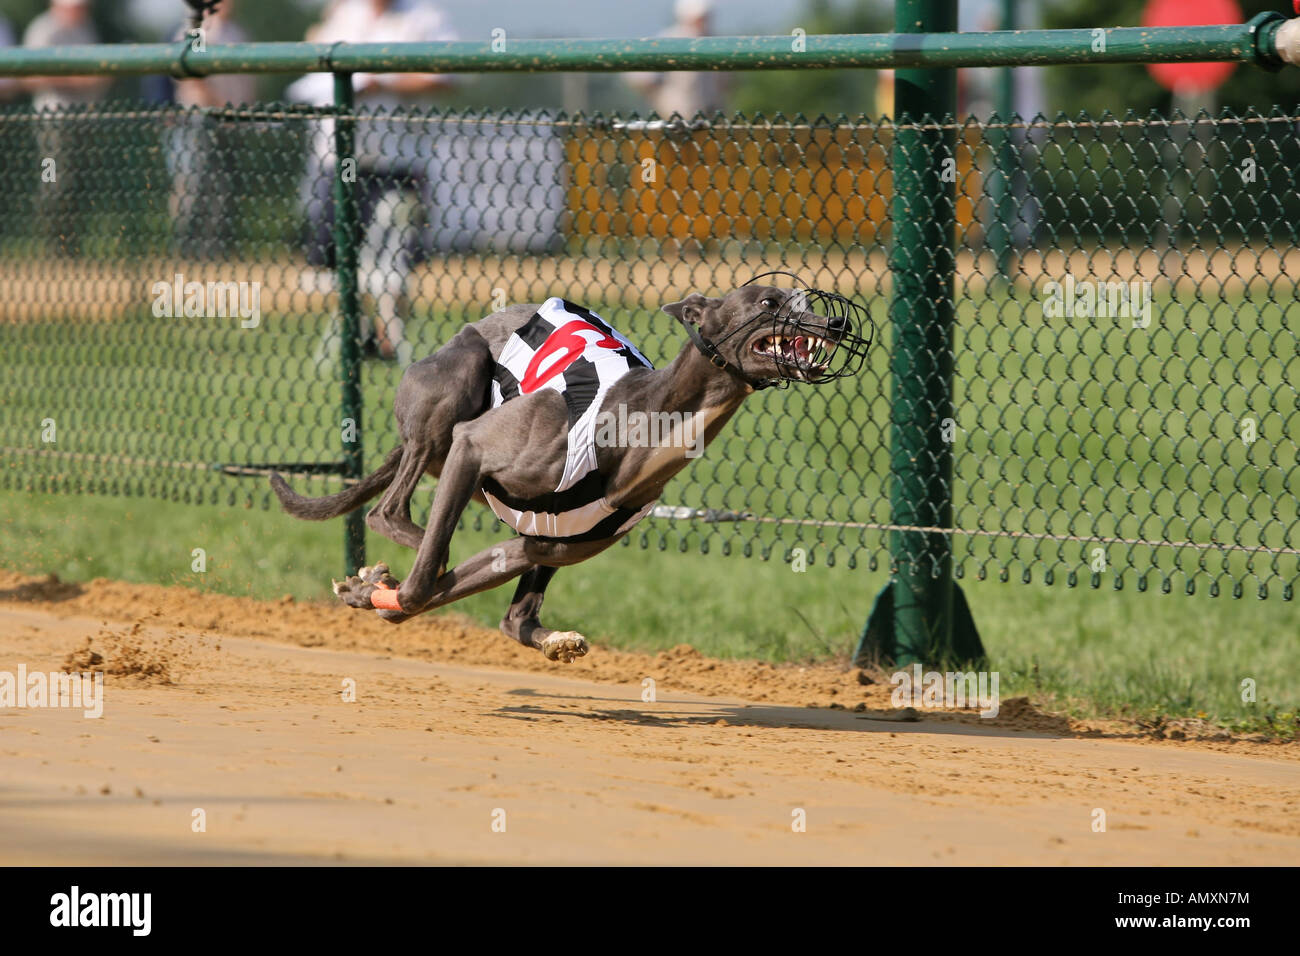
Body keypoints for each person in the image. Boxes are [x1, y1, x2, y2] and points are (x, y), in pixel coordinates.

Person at [289, 0, 458, 364]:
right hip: (339, 156)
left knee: (395, 259)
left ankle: (386, 339)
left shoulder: (424, 16)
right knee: (333, 256)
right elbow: (311, 64)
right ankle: (359, 328)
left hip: (399, 158)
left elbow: (444, 78)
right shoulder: (343, 14)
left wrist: (382, 82)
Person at [166, 0, 257, 257]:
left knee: (223, 188)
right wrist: (222, 106)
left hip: (230, 121)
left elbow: (248, 81)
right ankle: (188, 249)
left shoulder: (236, 32)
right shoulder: (198, 29)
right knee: (195, 187)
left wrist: (243, 112)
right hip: (201, 120)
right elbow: (191, 77)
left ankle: (216, 248)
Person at [22, 0, 110, 256]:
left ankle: (71, 245)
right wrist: (78, 81)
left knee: (78, 185)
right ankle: (52, 246)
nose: (80, 10)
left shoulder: (85, 29)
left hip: (82, 120)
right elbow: (31, 77)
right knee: (53, 181)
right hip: (53, 123)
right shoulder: (44, 29)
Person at [625, 0, 727, 119]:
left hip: (709, 114)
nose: (702, 22)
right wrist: (663, 99)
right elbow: (641, 77)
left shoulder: (714, 41)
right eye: (699, 18)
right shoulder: (671, 40)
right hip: (677, 115)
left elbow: (725, 82)